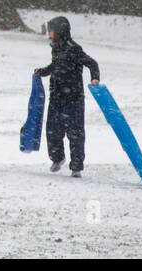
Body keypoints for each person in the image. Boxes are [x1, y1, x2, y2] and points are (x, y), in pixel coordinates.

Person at [34, 16, 100, 178]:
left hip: (73, 98)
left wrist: (95, 78)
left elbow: (92, 63)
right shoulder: (56, 48)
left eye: (51, 30)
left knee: (75, 133)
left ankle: (76, 166)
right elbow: (55, 66)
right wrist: (42, 72)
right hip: (56, 97)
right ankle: (57, 158)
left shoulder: (74, 49)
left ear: (60, 31)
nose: (49, 33)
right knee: (53, 130)